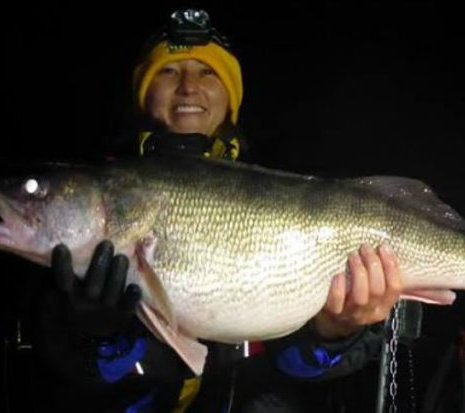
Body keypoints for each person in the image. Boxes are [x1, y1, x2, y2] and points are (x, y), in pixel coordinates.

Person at [31, 9, 403, 413]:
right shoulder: (98, 200)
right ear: (143, 91)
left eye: (208, 73)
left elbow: (296, 370)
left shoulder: (282, 188)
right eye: (169, 71)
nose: (189, 87)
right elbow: (81, 378)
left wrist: (336, 332)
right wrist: (98, 335)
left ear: (231, 98)